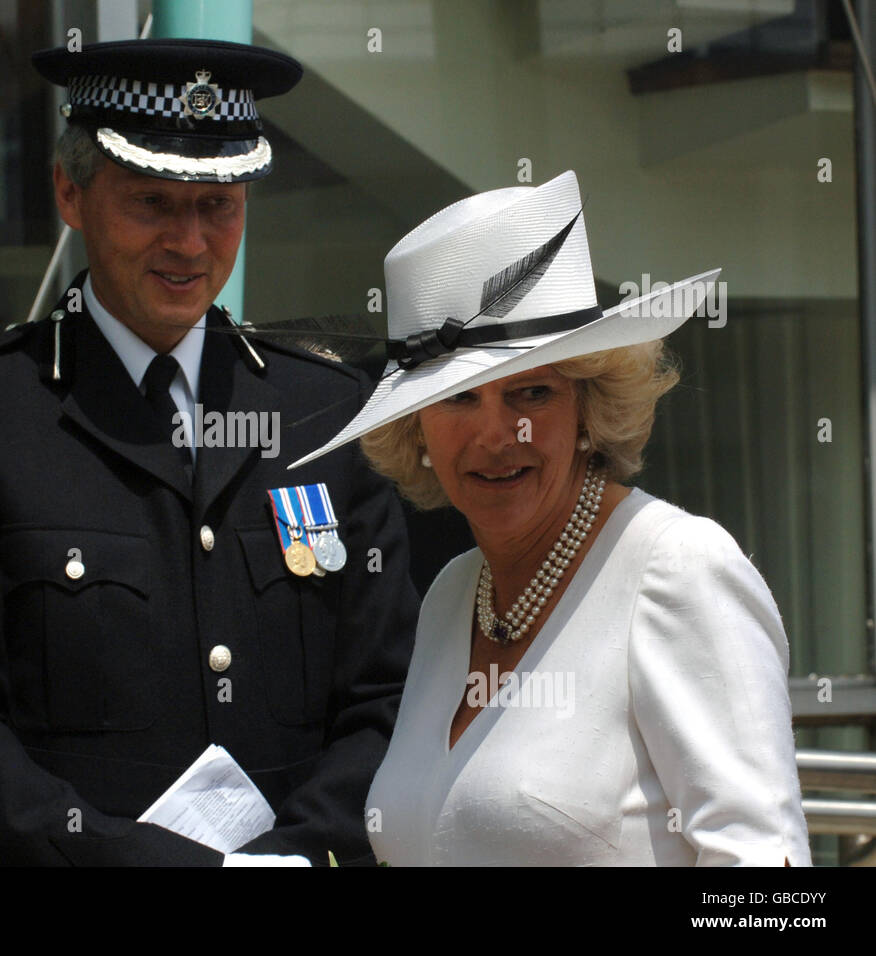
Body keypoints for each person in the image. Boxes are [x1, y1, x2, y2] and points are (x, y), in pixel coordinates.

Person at [0, 38, 422, 866]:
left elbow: (389, 697)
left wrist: (300, 854)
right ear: (70, 192)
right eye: (152, 202)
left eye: (218, 205)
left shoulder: (328, 412)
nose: (189, 242)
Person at [291, 170, 811, 866]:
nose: (497, 435)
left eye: (531, 393)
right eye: (459, 399)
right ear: (417, 429)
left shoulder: (677, 569)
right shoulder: (452, 594)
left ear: (587, 408)